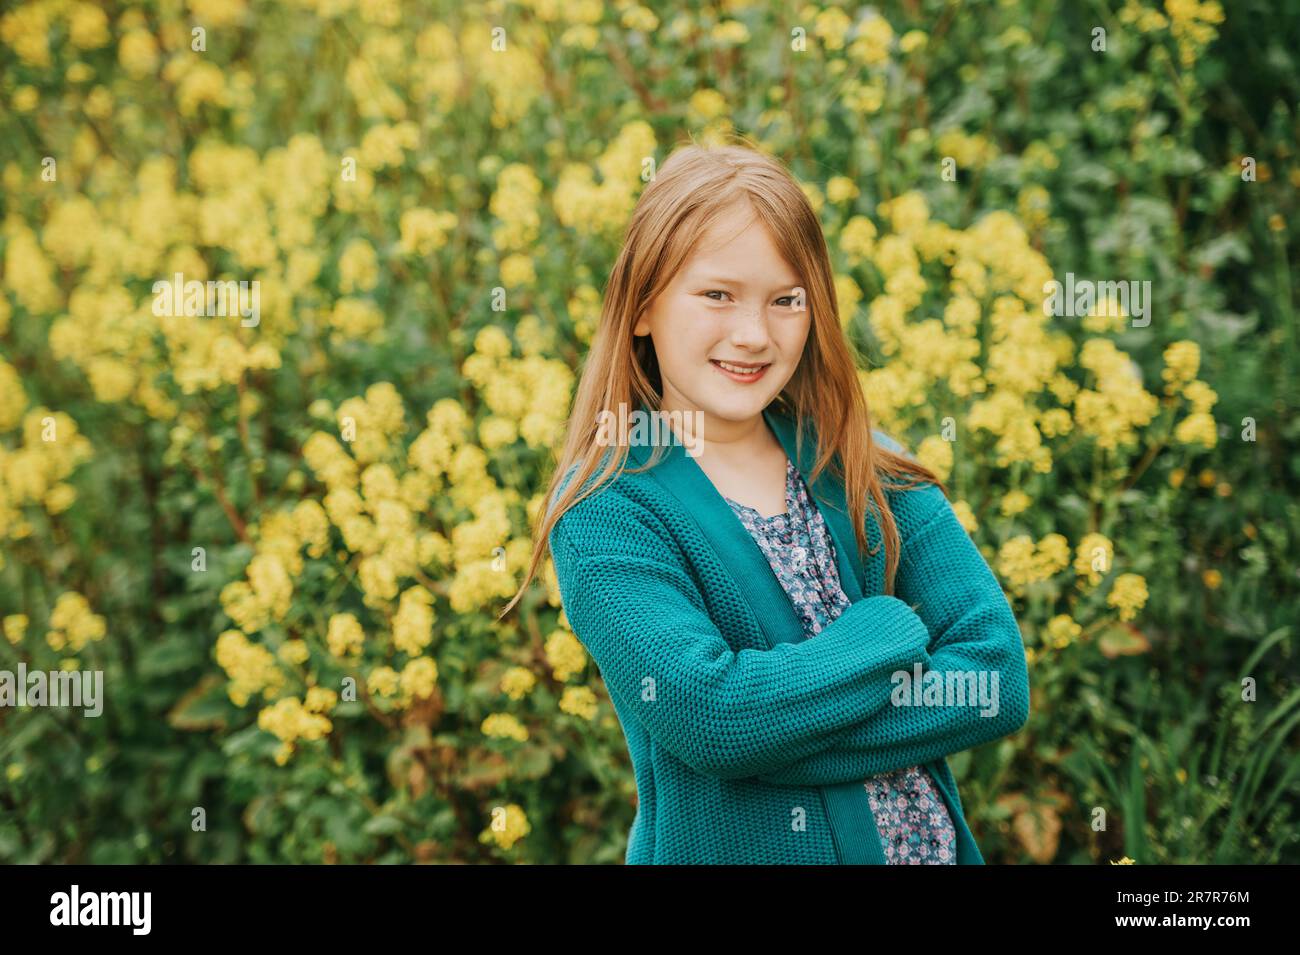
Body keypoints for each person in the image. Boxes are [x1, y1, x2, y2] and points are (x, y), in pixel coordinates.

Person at [503, 138, 1029, 864]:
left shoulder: (861, 462)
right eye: (717, 295)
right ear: (643, 306)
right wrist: (884, 634)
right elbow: (712, 715)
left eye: (786, 301)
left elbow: (997, 680)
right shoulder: (607, 508)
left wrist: (777, 739)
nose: (753, 335)